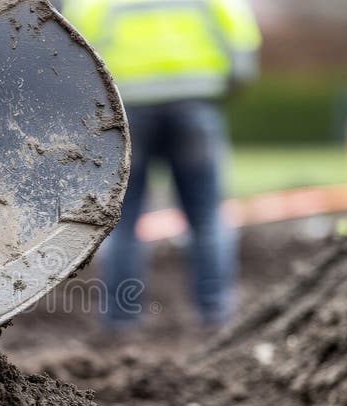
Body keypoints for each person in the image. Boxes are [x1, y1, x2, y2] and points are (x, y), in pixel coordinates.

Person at [62, 0, 261, 328]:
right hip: (194, 106)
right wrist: (228, 86)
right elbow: (240, 36)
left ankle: (121, 319)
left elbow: (72, 44)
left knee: (120, 221)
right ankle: (215, 314)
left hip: (125, 111)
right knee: (207, 215)